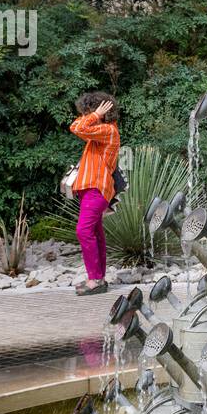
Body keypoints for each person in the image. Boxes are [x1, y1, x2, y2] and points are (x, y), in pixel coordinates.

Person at [69, 92, 121, 295]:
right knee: (96, 233)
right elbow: (79, 125)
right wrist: (93, 115)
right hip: (91, 189)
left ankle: (95, 279)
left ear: (102, 111)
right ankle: (99, 279)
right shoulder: (99, 134)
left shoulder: (108, 131)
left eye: (88, 111)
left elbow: (76, 127)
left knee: (83, 231)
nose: (86, 115)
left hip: (97, 189)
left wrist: (96, 115)